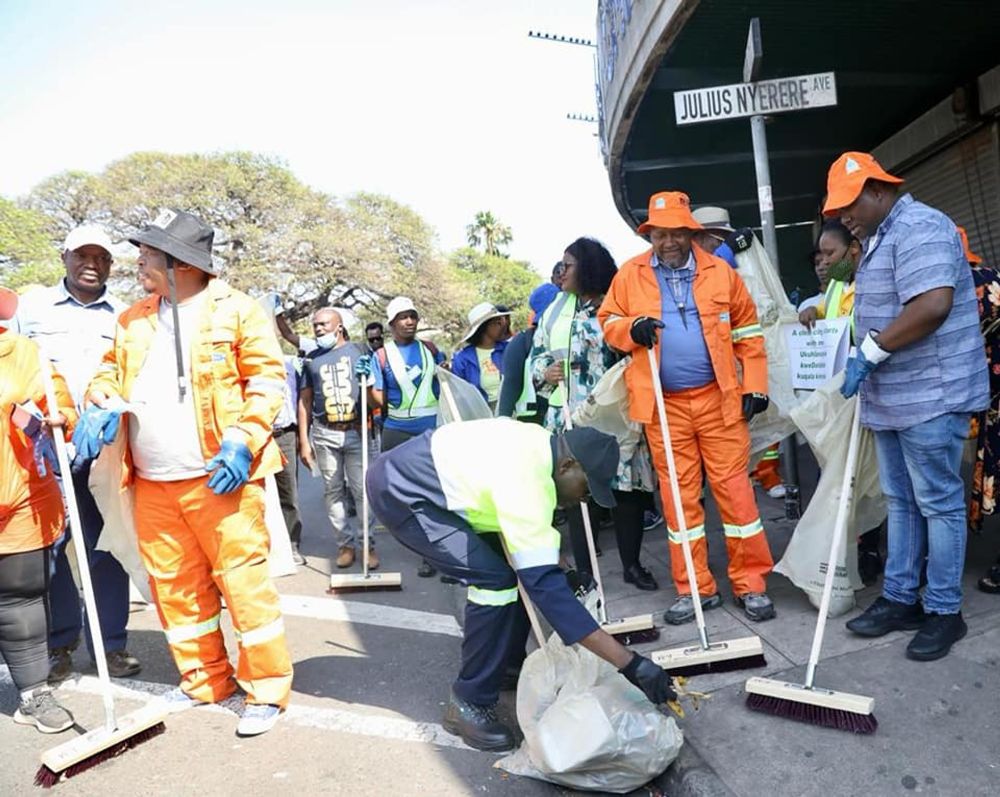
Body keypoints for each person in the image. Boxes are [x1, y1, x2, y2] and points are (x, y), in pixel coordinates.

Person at [74, 209, 293, 735]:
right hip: (151, 482)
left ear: (181, 264)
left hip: (222, 479)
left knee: (243, 586)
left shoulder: (238, 311)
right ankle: (204, 680)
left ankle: (266, 691)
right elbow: (106, 374)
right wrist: (99, 402)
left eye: (149, 254)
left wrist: (242, 443)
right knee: (177, 590)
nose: (139, 261)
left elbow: (267, 381)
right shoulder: (132, 318)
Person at [366, 417, 676, 751]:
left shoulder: (540, 448)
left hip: (422, 483)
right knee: (495, 583)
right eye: (585, 488)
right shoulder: (528, 481)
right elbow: (547, 592)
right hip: (402, 493)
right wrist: (631, 664)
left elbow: (533, 546)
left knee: (511, 576)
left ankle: (503, 666)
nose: (583, 499)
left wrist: (563, 572)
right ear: (569, 464)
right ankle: (468, 701)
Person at [823, 152, 988, 661]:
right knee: (902, 502)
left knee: (937, 502)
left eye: (849, 204)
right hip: (893, 398)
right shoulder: (876, 239)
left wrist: (869, 352)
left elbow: (931, 304)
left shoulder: (920, 225)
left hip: (932, 395)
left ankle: (943, 610)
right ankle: (900, 597)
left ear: (877, 189)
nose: (843, 216)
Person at [598, 191, 776, 624]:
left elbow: (749, 333)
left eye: (677, 233)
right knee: (679, 503)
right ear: (650, 235)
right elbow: (607, 323)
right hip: (664, 407)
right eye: (660, 234)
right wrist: (631, 329)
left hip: (720, 400)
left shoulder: (722, 273)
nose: (669, 242)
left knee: (736, 495)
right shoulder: (629, 275)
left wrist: (755, 385)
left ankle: (750, 584)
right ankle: (695, 588)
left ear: (691, 232)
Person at [13, 224, 142, 683]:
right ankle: (59, 644)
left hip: (101, 449)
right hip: (43, 451)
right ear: (65, 257)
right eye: (83, 255)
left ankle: (111, 646)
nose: (92, 264)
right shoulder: (33, 309)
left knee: (104, 549)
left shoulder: (125, 317)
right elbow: (11, 366)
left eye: (101, 258)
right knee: (51, 550)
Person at [532, 238, 659, 591]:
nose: (561, 272)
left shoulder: (618, 304)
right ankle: (587, 575)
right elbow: (537, 353)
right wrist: (544, 371)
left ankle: (632, 565)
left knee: (626, 491)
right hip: (571, 416)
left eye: (567, 265)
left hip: (617, 413)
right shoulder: (555, 311)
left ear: (587, 268)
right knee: (577, 494)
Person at [0, 287, 78, 733]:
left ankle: (32, 693)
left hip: (22, 498)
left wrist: (59, 418)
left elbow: (58, 401)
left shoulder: (25, 354)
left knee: (21, 595)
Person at [364, 296, 445, 578]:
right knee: (402, 493)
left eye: (413, 316)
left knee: (436, 491)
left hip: (431, 428)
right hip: (396, 429)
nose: (409, 321)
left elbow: (444, 384)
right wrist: (367, 383)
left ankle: (440, 553)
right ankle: (423, 548)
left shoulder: (431, 350)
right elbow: (376, 401)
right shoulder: (381, 356)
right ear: (392, 323)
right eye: (403, 317)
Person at [298, 307, 375, 570]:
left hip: (356, 431)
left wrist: (369, 376)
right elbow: (305, 400)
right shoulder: (312, 359)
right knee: (333, 491)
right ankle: (345, 545)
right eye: (315, 325)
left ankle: (367, 545)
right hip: (324, 432)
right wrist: (304, 441)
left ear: (339, 326)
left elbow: (375, 389)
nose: (319, 329)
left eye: (324, 324)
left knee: (363, 491)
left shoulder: (360, 351)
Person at [497, 283, 558, 422]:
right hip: (532, 419)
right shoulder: (523, 341)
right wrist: (504, 418)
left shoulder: (570, 337)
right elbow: (511, 383)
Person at [274, 354, 306, 566]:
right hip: (257, 435)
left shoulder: (290, 367)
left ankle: (291, 543)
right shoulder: (244, 363)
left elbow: (302, 402)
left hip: (285, 434)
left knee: (288, 492)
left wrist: (302, 438)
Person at [450, 303, 510, 410]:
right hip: (479, 413)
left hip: (509, 409)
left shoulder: (508, 349)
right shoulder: (463, 359)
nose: (503, 325)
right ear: (485, 327)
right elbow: (458, 394)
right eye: (497, 322)